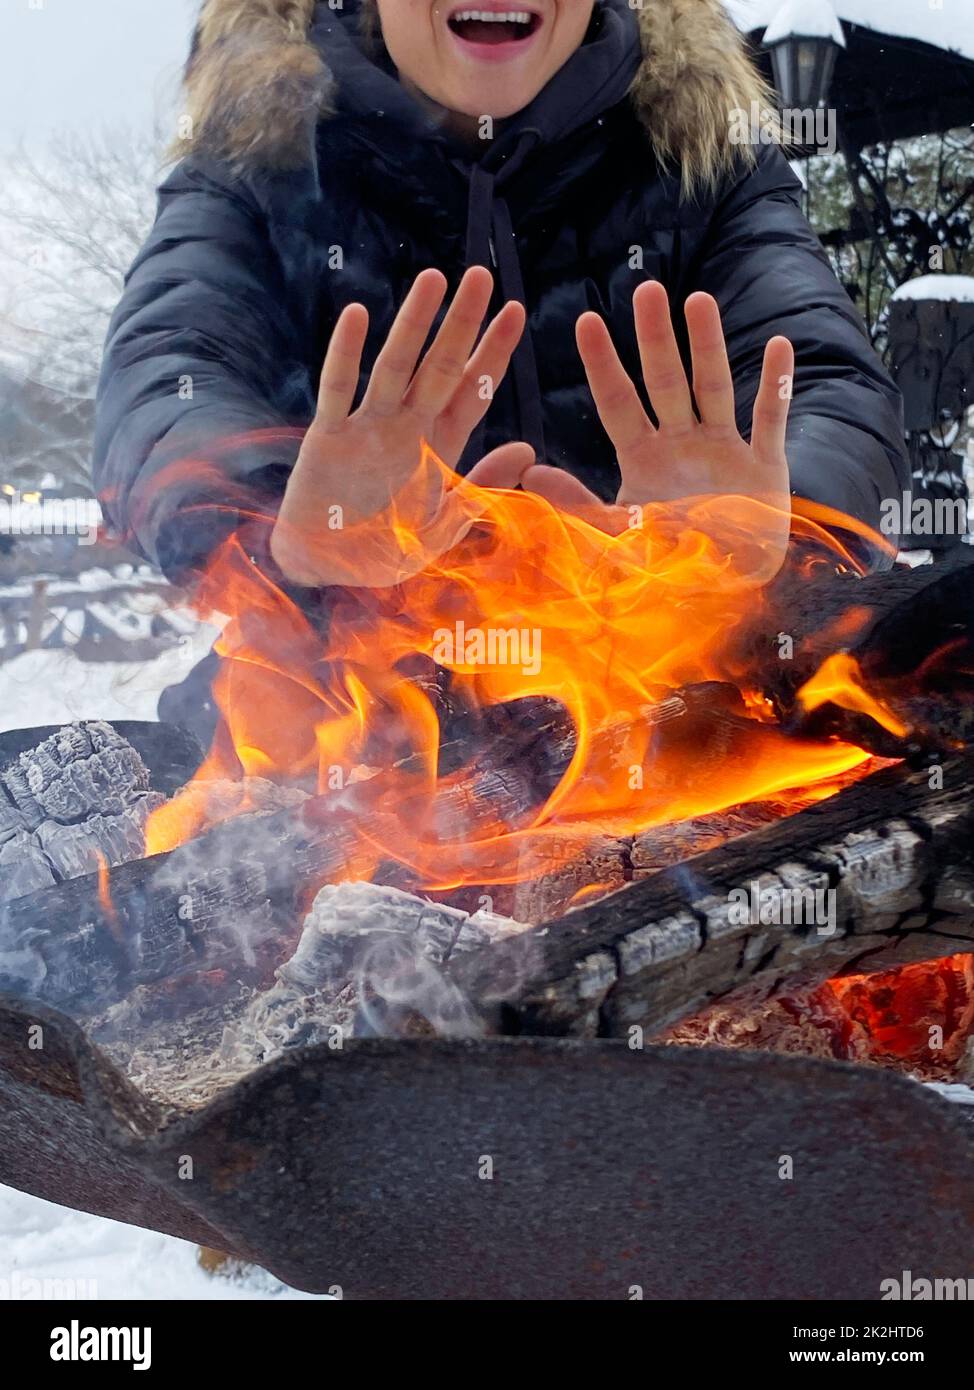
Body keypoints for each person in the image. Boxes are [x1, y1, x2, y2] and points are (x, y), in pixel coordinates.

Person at [94, 0, 909, 742]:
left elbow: (829, 382)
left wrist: (758, 542)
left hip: (662, 708)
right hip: (343, 734)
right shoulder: (252, 155)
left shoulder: (706, 155)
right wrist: (286, 532)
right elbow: (165, 374)